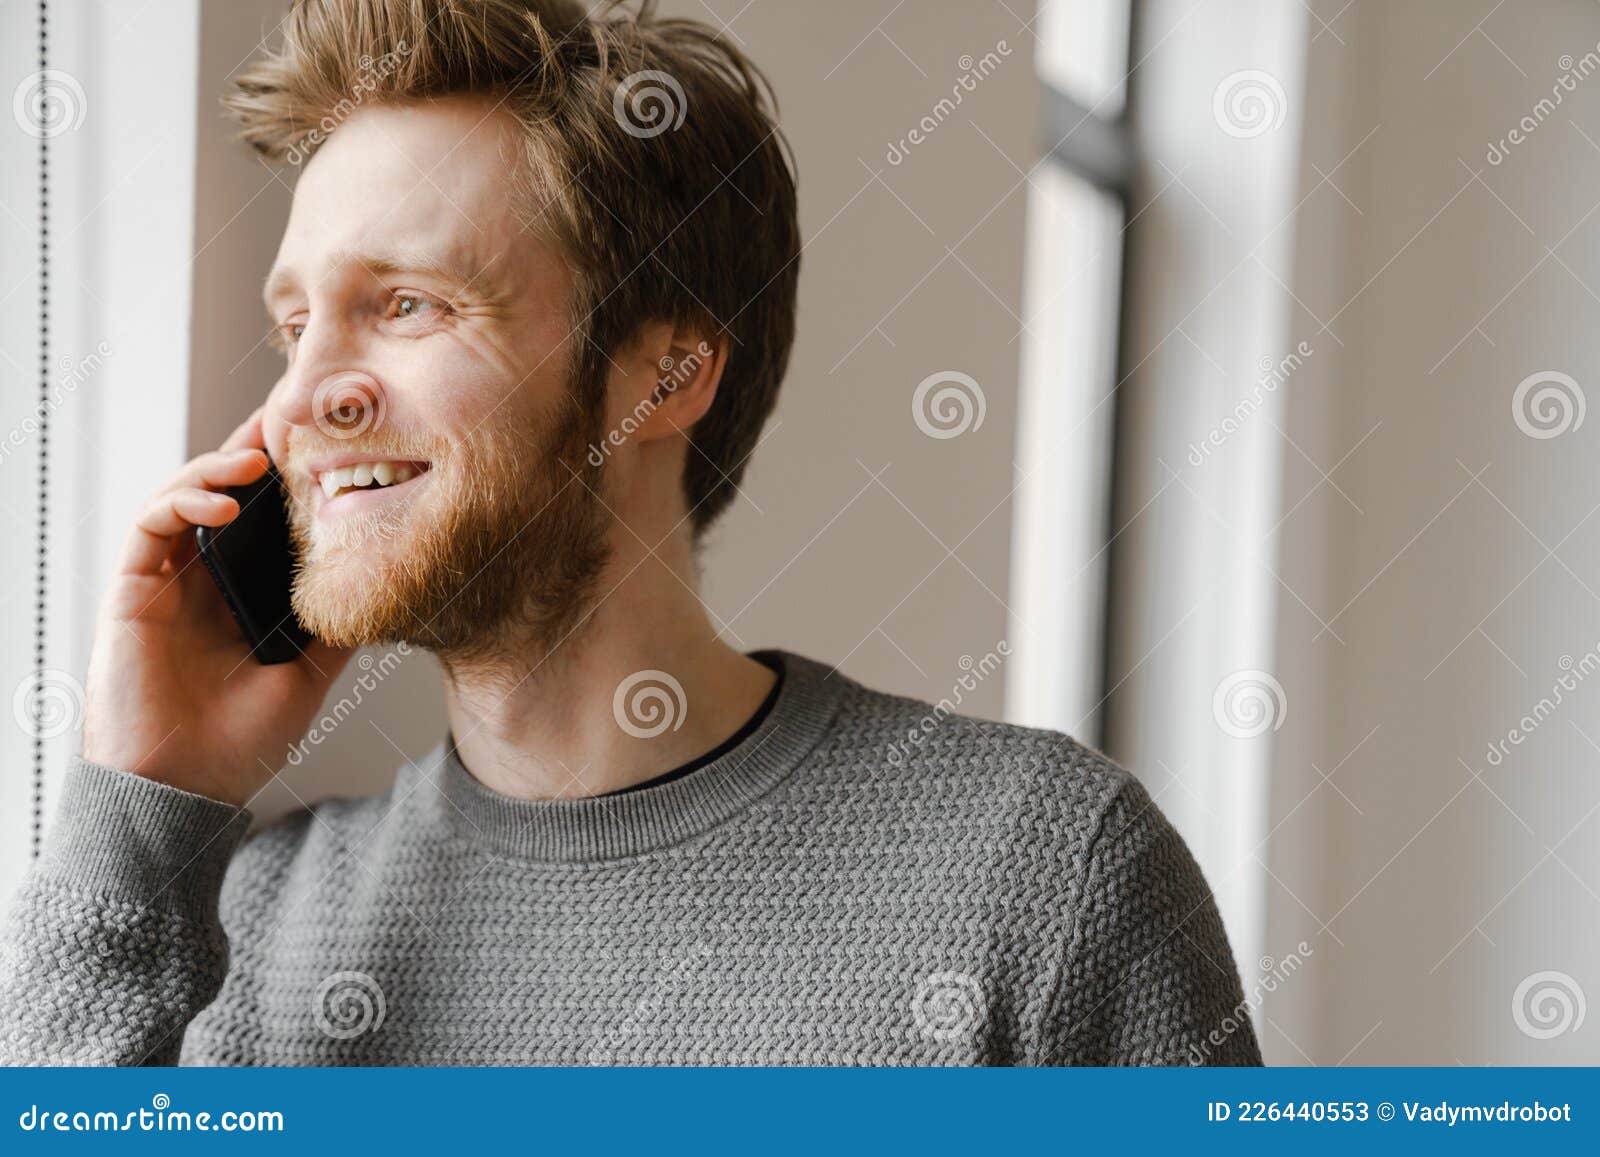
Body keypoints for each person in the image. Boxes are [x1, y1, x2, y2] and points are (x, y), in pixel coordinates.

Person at [0, 0, 1259, 1066]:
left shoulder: (1043, 872)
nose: (302, 395)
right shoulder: (262, 930)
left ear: (664, 375)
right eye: (296, 325)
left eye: (409, 303)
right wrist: (142, 803)